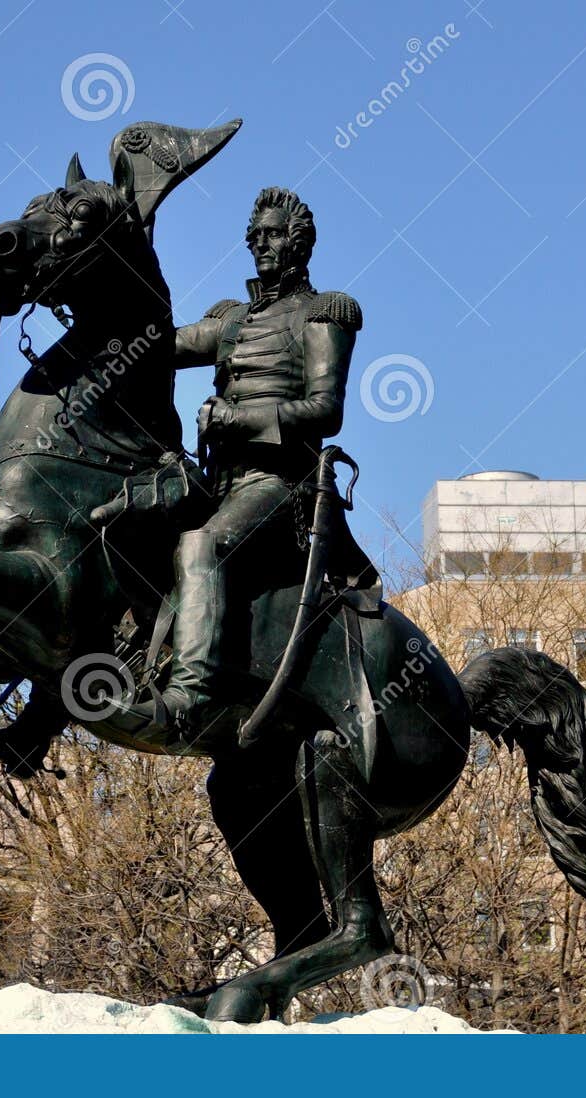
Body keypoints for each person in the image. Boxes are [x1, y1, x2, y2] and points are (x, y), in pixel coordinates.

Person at [106, 186, 362, 746]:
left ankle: (189, 697)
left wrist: (236, 419)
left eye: (270, 235)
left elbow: (327, 409)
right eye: (253, 237)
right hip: (218, 482)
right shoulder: (231, 319)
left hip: (280, 483)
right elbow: (155, 347)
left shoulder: (324, 312)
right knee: (118, 520)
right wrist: (118, 263)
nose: (259, 245)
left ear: (298, 243)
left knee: (202, 546)